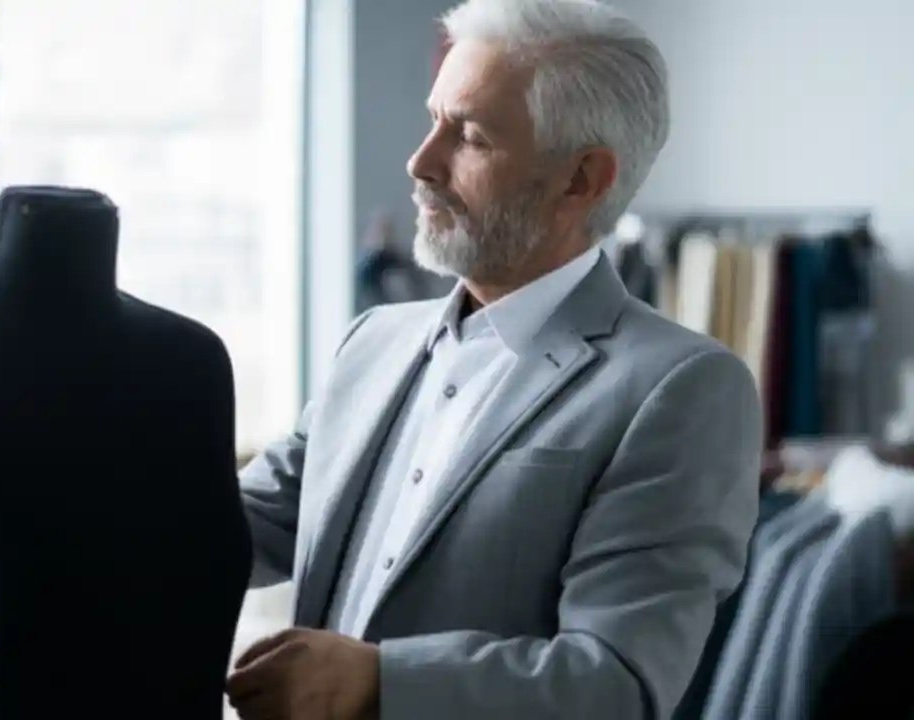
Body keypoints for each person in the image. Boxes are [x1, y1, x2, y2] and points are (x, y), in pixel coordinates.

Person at [225, 1, 763, 719]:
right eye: (434, 119)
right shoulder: (372, 342)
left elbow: (615, 684)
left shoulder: (682, 389)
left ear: (582, 179)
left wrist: (380, 683)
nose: (421, 162)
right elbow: (244, 525)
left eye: (470, 137)